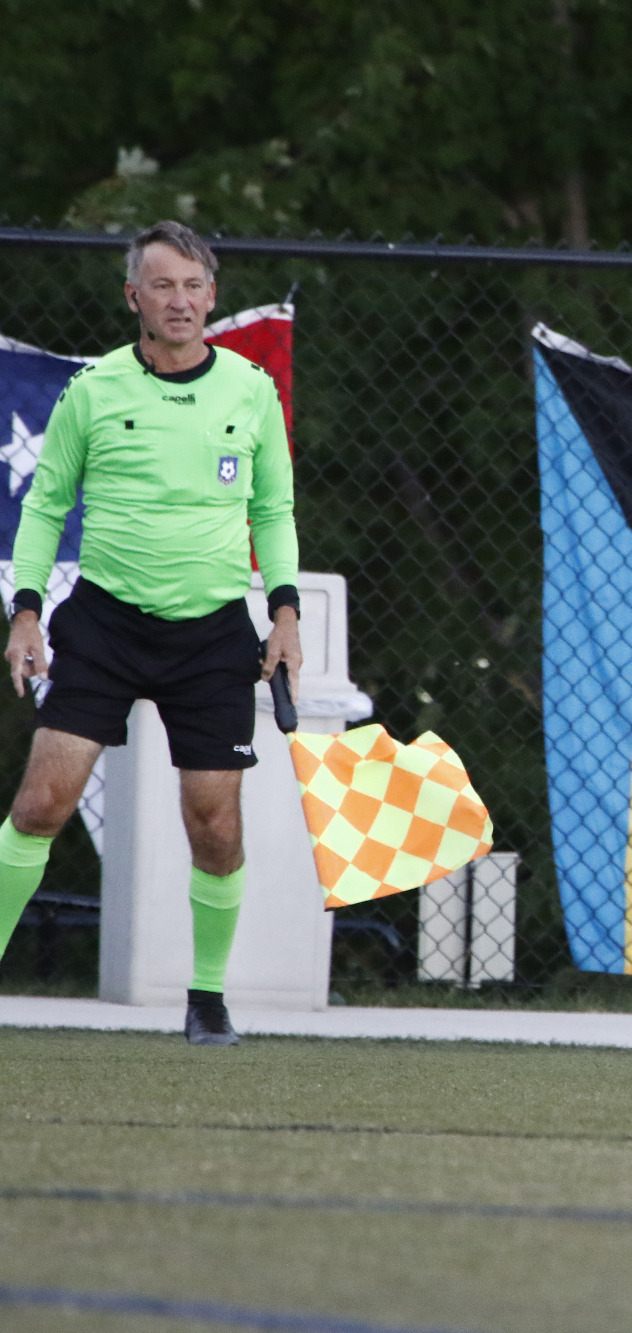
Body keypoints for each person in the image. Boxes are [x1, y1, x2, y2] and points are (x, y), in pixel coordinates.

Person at [0, 220, 303, 1046]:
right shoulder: (94, 390)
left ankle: (207, 998)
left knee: (216, 823)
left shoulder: (249, 390)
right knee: (40, 804)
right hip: (102, 623)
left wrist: (284, 614)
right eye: (162, 285)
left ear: (213, 295)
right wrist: (25, 610)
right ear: (134, 296)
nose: (180, 300)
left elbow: (273, 511)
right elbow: (46, 504)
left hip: (210, 636)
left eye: (193, 285)